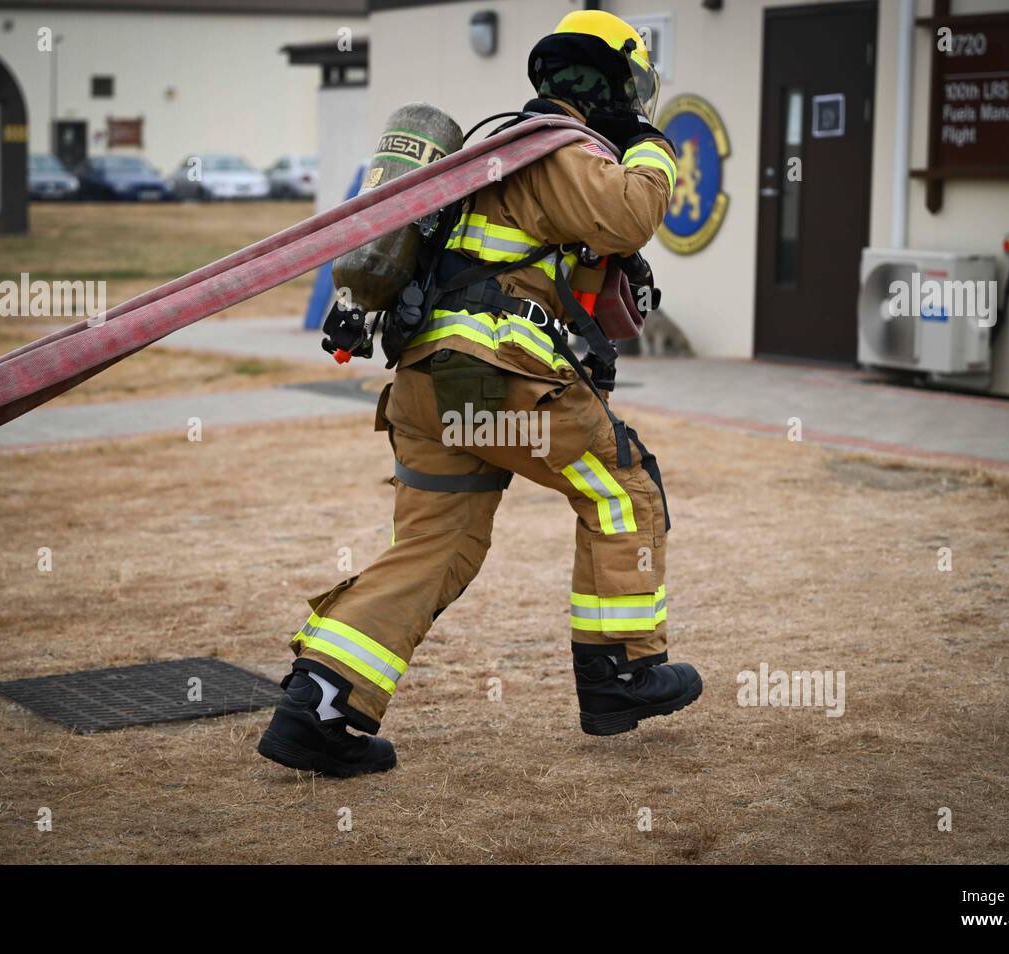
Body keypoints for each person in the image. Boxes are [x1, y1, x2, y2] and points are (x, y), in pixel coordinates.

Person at [258, 10, 702, 777]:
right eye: (631, 94)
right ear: (612, 85)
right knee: (624, 488)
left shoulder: (483, 159)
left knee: (436, 547)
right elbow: (631, 216)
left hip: (430, 390)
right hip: (498, 376)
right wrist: (655, 151)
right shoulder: (554, 147)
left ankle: (318, 709)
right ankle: (620, 675)